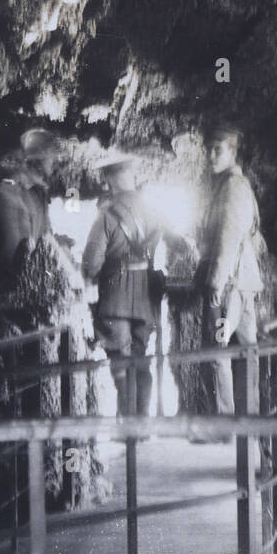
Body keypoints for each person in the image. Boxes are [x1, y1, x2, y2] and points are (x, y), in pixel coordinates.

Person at [82, 154, 161, 418]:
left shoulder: (106, 216)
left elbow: (92, 263)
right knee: (141, 360)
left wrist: (89, 276)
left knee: (121, 363)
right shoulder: (152, 211)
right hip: (145, 296)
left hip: (115, 297)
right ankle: (142, 424)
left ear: (109, 180)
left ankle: (128, 430)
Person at [196, 123, 262, 419]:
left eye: (217, 150)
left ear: (233, 152)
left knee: (217, 353)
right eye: (209, 150)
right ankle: (250, 424)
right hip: (243, 281)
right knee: (247, 351)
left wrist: (215, 282)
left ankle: (225, 425)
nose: (211, 155)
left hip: (227, 284)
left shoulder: (232, 187)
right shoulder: (237, 185)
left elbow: (228, 236)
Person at [0, 127, 61, 304]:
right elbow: (15, 267)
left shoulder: (28, 196)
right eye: (51, 161)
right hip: (3, 303)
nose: (54, 169)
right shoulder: (2, 198)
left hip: (19, 297)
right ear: (35, 162)